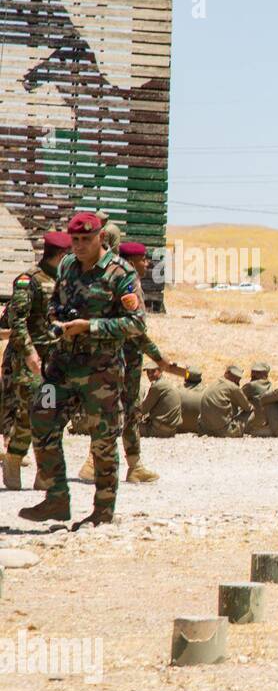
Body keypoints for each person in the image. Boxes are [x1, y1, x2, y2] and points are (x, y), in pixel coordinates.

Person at [19, 212, 145, 527]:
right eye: (75, 241)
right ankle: (56, 498)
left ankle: (102, 512)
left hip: (101, 370)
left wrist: (89, 327)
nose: (79, 246)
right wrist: (57, 320)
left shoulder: (121, 273)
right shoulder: (66, 267)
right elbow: (55, 304)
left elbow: (136, 323)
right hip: (61, 366)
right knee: (41, 417)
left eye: (86, 240)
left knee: (103, 439)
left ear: (101, 238)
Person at [73, 240, 180, 484]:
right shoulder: (128, 285)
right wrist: (159, 357)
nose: (148, 263)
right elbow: (135, 330)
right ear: (132, 262)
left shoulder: (120, 281)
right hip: (123, 358)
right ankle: (97, 462)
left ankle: (133, 464)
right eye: (144, 259)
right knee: (121, 410)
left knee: (122, 410)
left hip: (120, 357)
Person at [2, 231, 69, 491]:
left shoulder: (64, 281)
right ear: (61, 255)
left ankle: (43, 471)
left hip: (53, 361)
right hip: (27, 360)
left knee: (49, 413)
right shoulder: (28, 281)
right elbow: (16, 322)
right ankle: (14, 458)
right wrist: (30, 354)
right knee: (30, 413)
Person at [199, 365, 254, 437]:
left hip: (205, 429)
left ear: (226, 373)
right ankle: (247, 431)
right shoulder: (233, 387)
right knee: (252, 412)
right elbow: (247, 407)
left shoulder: (213, 383)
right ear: (238, 379)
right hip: (224, 432)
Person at [138, 364, 183, 438]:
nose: (149, 374)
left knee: (130, 428)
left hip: (160, 430)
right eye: (148, 372)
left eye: (153, 371)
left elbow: (144, 409)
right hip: (172, 429)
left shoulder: (157, 386)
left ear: (160, 371)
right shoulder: (166, 383)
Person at [242, 362, 273, 434]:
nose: (253, 374)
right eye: (253, 372)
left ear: (264, 374)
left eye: (257, 372)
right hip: (266, 422)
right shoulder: (270, 385)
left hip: (253, 422)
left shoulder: (251, 385)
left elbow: (237, 397)